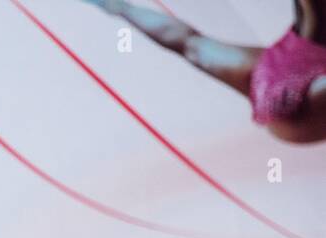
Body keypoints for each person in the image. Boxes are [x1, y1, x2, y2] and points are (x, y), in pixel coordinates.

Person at [83, 0, 326, 143]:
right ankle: (117, 6)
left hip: (276, 82)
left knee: (192, 46)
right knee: (192, 46)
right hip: (294, 93)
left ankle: (116, 6)